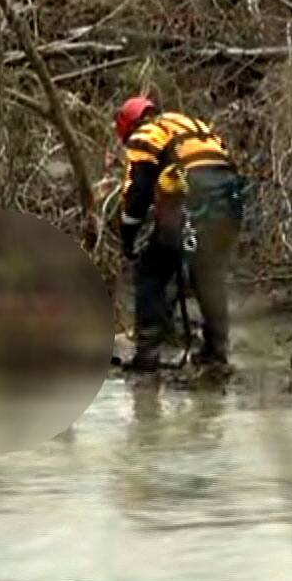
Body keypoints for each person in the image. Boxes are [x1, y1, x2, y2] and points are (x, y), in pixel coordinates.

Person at [113, 95, 248, 373]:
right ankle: (216, 350)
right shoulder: (191, 126)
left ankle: (147, 353)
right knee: (207, 273)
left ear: (128, 126)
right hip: (229, 203)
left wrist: (127, 238)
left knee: (151, 270)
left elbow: (136, 195)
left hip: (194, 201)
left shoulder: (145, 136)